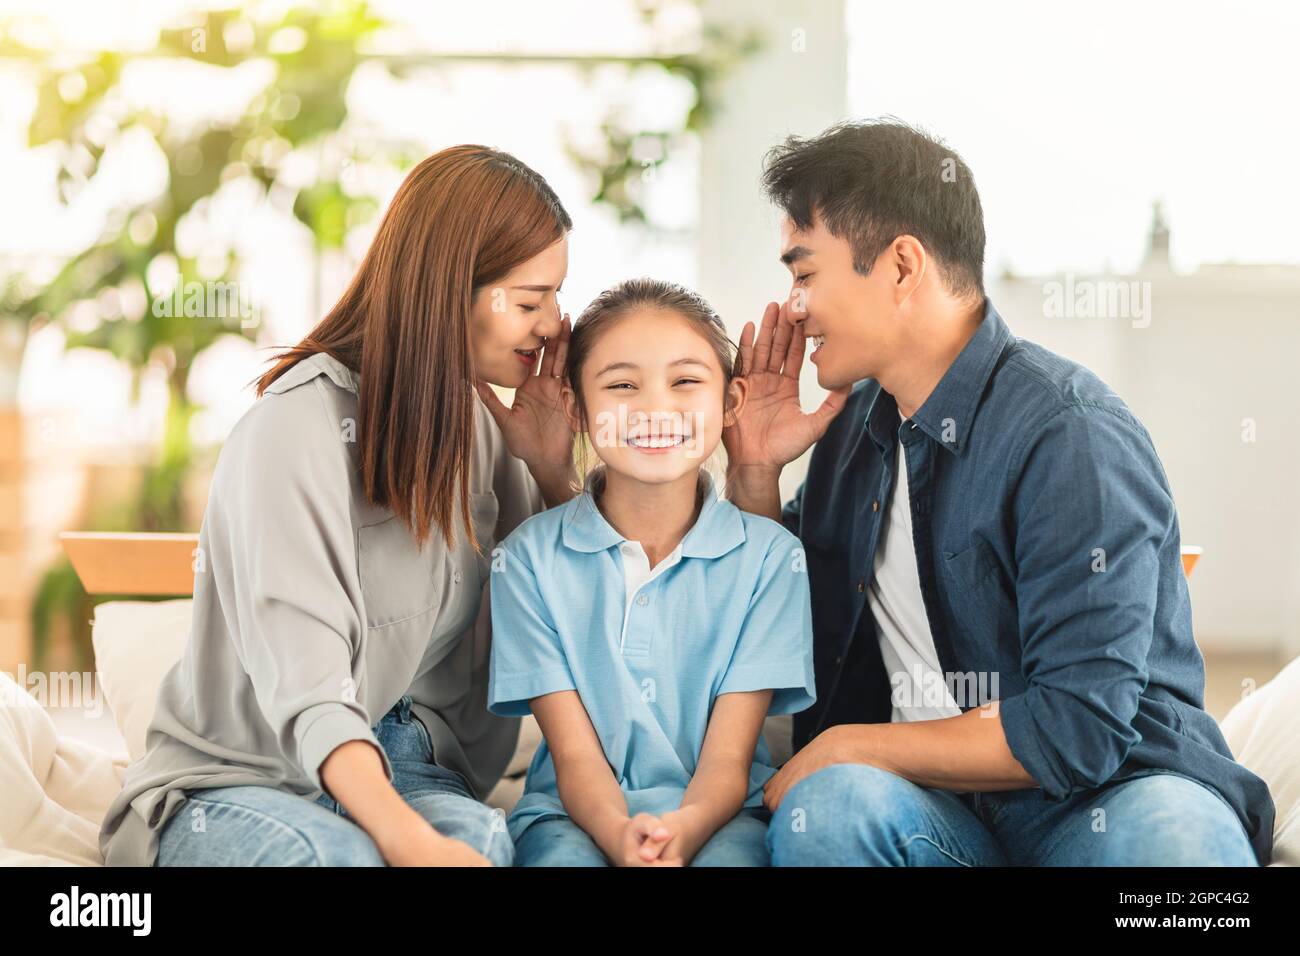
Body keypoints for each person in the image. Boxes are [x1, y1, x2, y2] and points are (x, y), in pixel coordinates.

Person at [721, 119, 1275, 866]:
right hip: (937, 810)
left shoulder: (1070, 435)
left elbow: (1078, 728)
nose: (791, 306)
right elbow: (784, 621)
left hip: (1109, 795)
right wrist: (754, 471)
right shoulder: (854, 429)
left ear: (902, 266)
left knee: (1175, 850)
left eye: (805, 272)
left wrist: (856, 742)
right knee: (830, 810)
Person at [99, 145, 579, 867]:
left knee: (482, 839)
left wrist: (550, 473)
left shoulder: (489, 429)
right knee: (337, 861)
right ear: (449, 286)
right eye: (531, 299)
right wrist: (407, 840)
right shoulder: (292, 429)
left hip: (413, 763)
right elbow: (310, 689)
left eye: (557, 298)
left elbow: (567, 618)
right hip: (251, 775)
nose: (552, 325)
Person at [487, 278, 816, 866]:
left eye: (686, 381)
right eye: (621, 385)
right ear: (574, 408)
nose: (656, 409)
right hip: (571, 815)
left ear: (731, 401)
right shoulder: (526, 561)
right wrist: (618, 834)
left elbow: (727, 761)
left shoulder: (772, 558)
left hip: (722, 815)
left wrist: (684, 830)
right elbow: (576, 760)